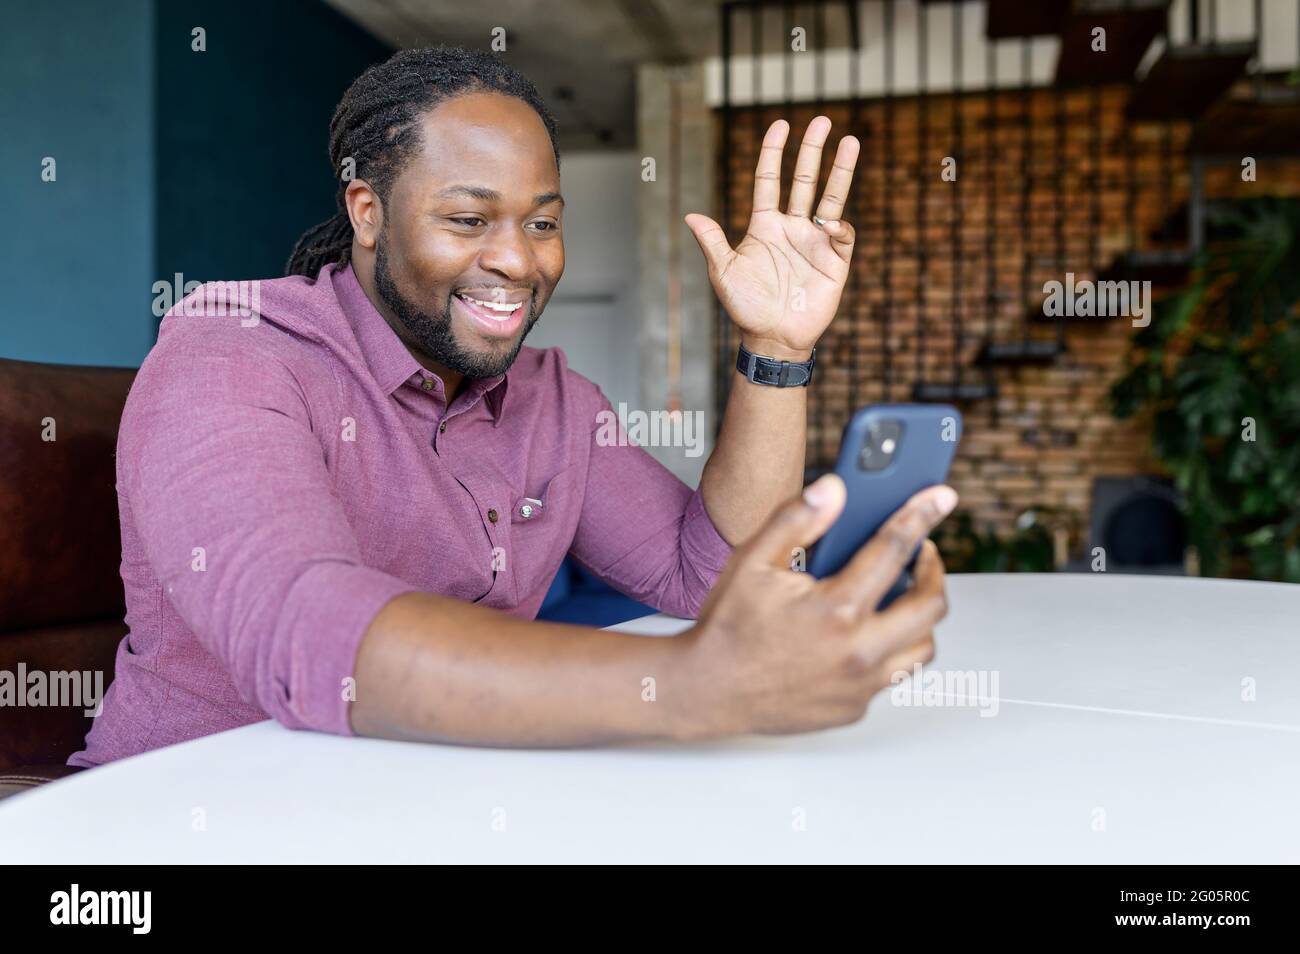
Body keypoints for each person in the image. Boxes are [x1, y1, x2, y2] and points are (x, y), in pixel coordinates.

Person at [71, 46, 954, 765]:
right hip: (194, 820)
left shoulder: (551, 397)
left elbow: (711, 581)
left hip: (441, 801)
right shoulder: (229, 353)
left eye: (541, 222)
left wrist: (776, 348)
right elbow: (307, 636)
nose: (519, 262)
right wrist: (689, 684)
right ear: (367, 211)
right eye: (468, 220)